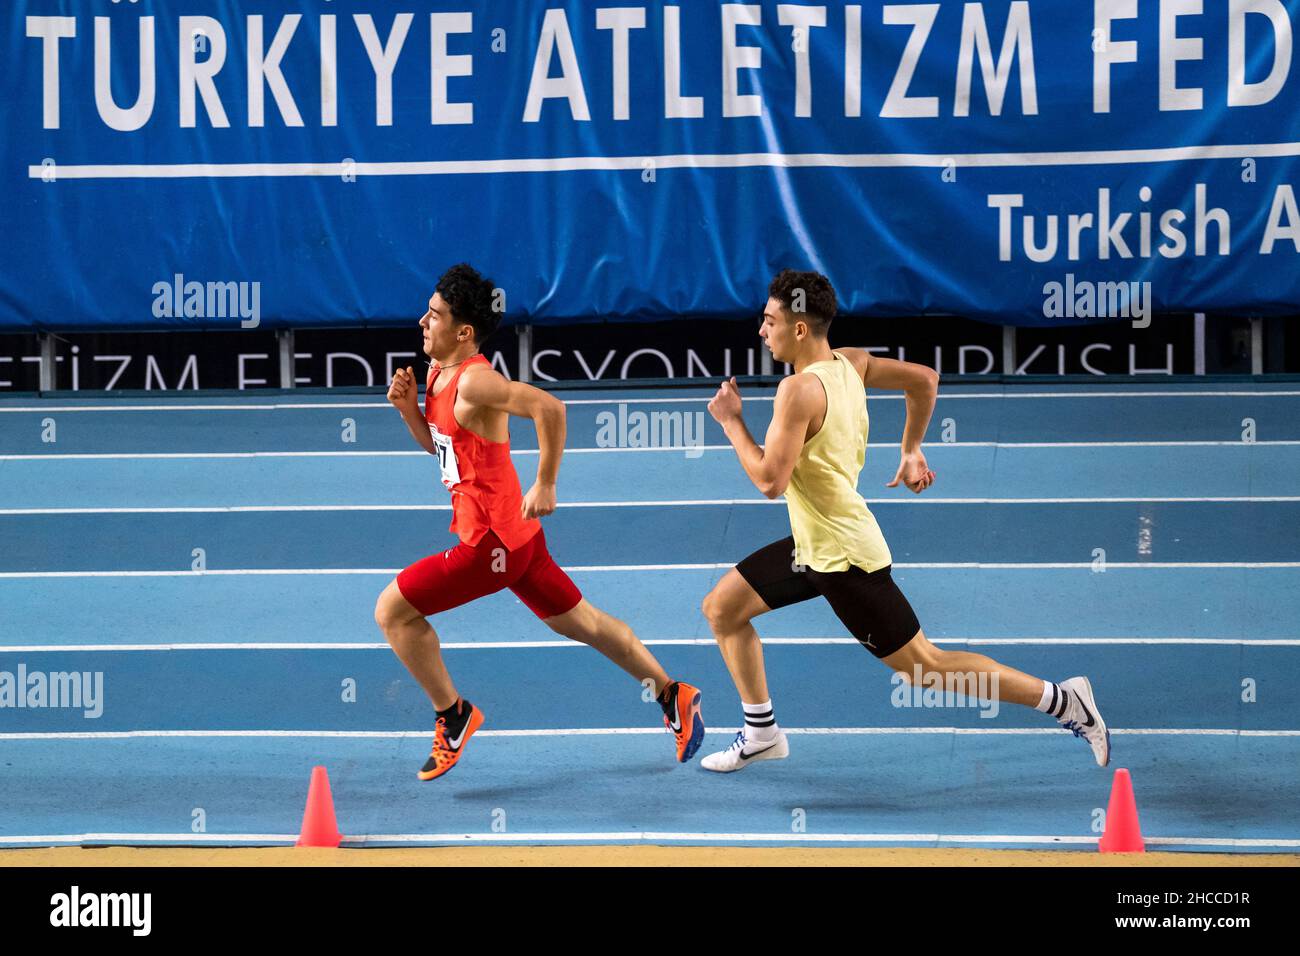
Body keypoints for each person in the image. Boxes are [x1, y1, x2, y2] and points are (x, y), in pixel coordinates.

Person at [698, 268, 1109, 772]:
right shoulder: (850, 363)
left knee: (928, 668)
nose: (762, 330)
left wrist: (732, 421)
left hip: (845, 559)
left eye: (769, 320)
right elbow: (925, 380)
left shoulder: (797, 391)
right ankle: (762, 732)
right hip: (814, 544)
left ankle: (1064, 701)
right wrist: (911, 449)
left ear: (799, 329)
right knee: (723, 609)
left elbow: (769, 482)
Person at [375, 263, 703, 780]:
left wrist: (546, 481)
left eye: (433, 315)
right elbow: (445, 452)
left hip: (490, 548)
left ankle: (454, 715)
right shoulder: (437, 373)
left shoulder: (475, 381)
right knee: (587, 624)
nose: (421, 321)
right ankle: (672, 694)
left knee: (392, 612)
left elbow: (551, 408)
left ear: (464, 332)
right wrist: (408, 412)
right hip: (519, 542)